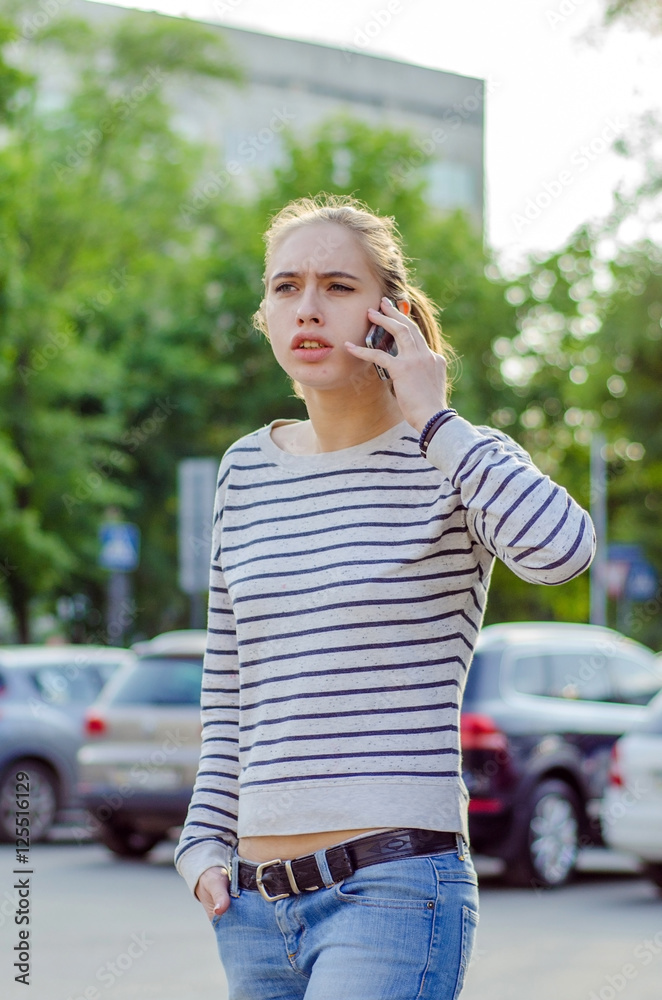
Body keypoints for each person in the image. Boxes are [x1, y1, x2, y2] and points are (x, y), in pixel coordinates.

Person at [175, 194, 595, 999]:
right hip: (253, 909)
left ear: (389, 313)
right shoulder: (245, 471)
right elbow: (230, 684)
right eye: (284, 286)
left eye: (337, 285)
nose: (307, 307)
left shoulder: (454, 455)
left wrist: (434, 416)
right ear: (263, 314)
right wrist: (202, 845)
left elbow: (564, 551)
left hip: (395, 889)